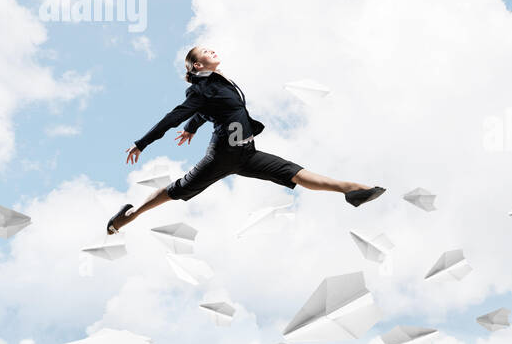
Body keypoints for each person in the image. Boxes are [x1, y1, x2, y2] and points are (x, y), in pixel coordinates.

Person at [105, 46, 383, 233]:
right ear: (198, 65)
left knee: (295, 173)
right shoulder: (201, 89)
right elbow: (172, 117)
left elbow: (213, 111)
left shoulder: (217, 84)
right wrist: (142, 143)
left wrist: (192, 127)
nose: (211, 49)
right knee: (175, 191)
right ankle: (127, 217)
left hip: (247, 154)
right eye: (204, 51)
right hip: (221, 156)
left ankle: (352, 190)